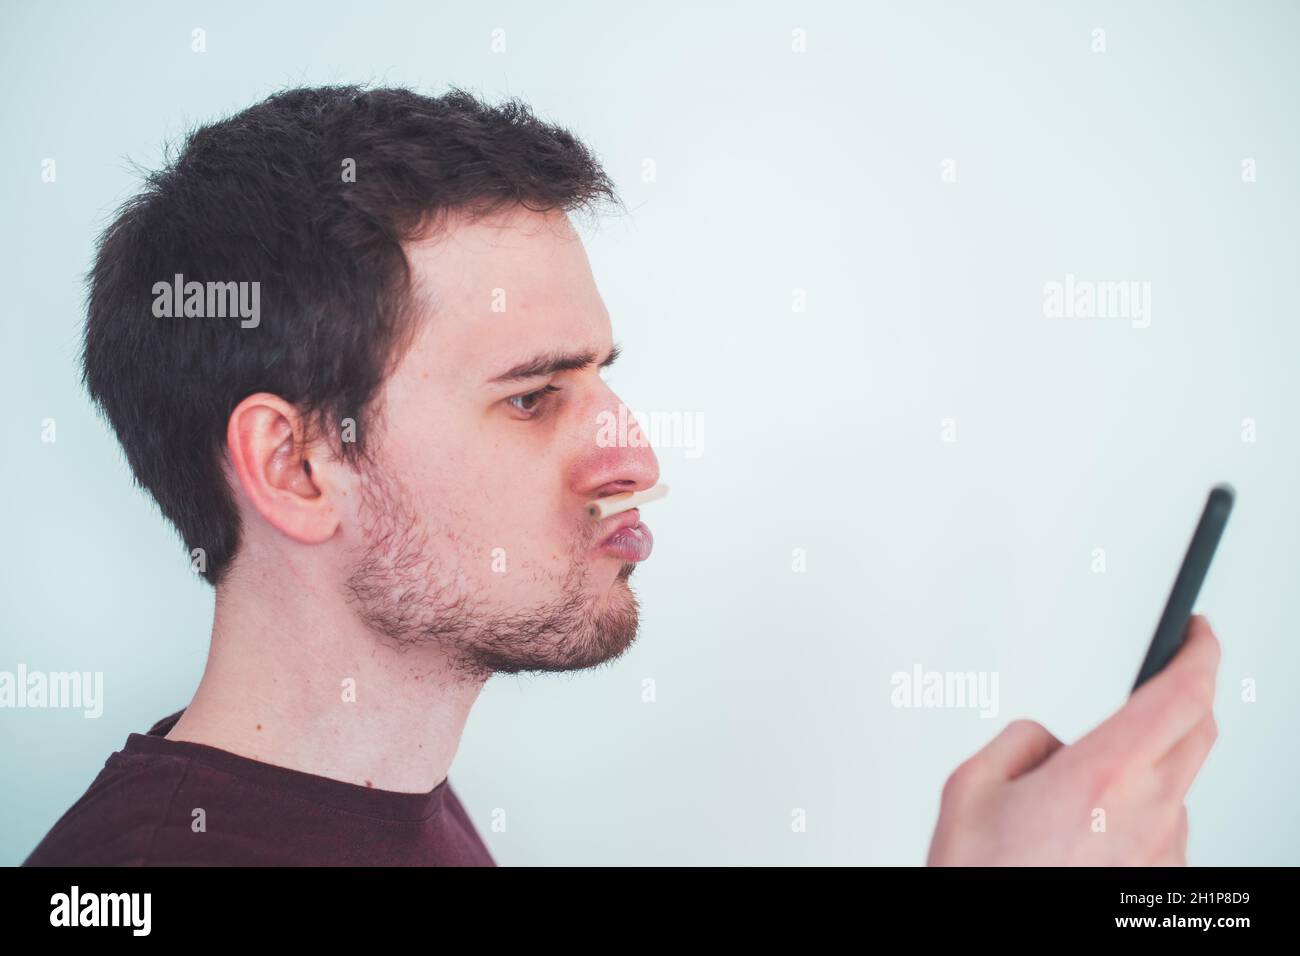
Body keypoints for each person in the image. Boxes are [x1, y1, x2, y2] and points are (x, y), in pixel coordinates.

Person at [23, 85, 1219, 867]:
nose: (636, 456)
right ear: (295, 465)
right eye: (534, 395)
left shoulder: (382, 814)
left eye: (602, 381)